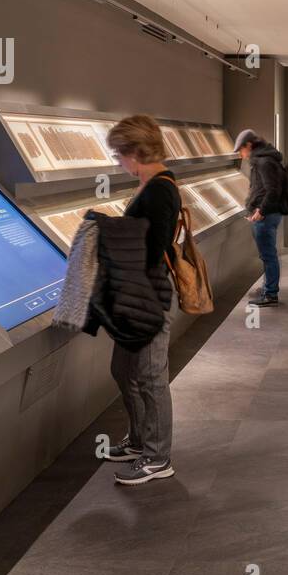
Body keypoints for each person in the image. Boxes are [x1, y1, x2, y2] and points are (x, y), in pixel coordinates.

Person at [104, 115, 181, 484]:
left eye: (119, 155)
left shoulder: (160, 189)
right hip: (134, 297)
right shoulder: (150, 185)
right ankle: (138, 440)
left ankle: (157, 456)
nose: (118, 163)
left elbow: (152, 249)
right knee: (124, 370)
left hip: (148, 297)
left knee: (151, 376)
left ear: (135, 152)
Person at [234, 128, 286, 306]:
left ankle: (270, 294)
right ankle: (268, 288)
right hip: (267, 214)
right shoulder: (264, 160)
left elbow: (273, 191)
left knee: (268, 255)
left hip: (266, 215)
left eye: (241, 150)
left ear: (249, 145)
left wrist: (260, 212)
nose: (241, 155)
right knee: (267, 254)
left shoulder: (263, 162)